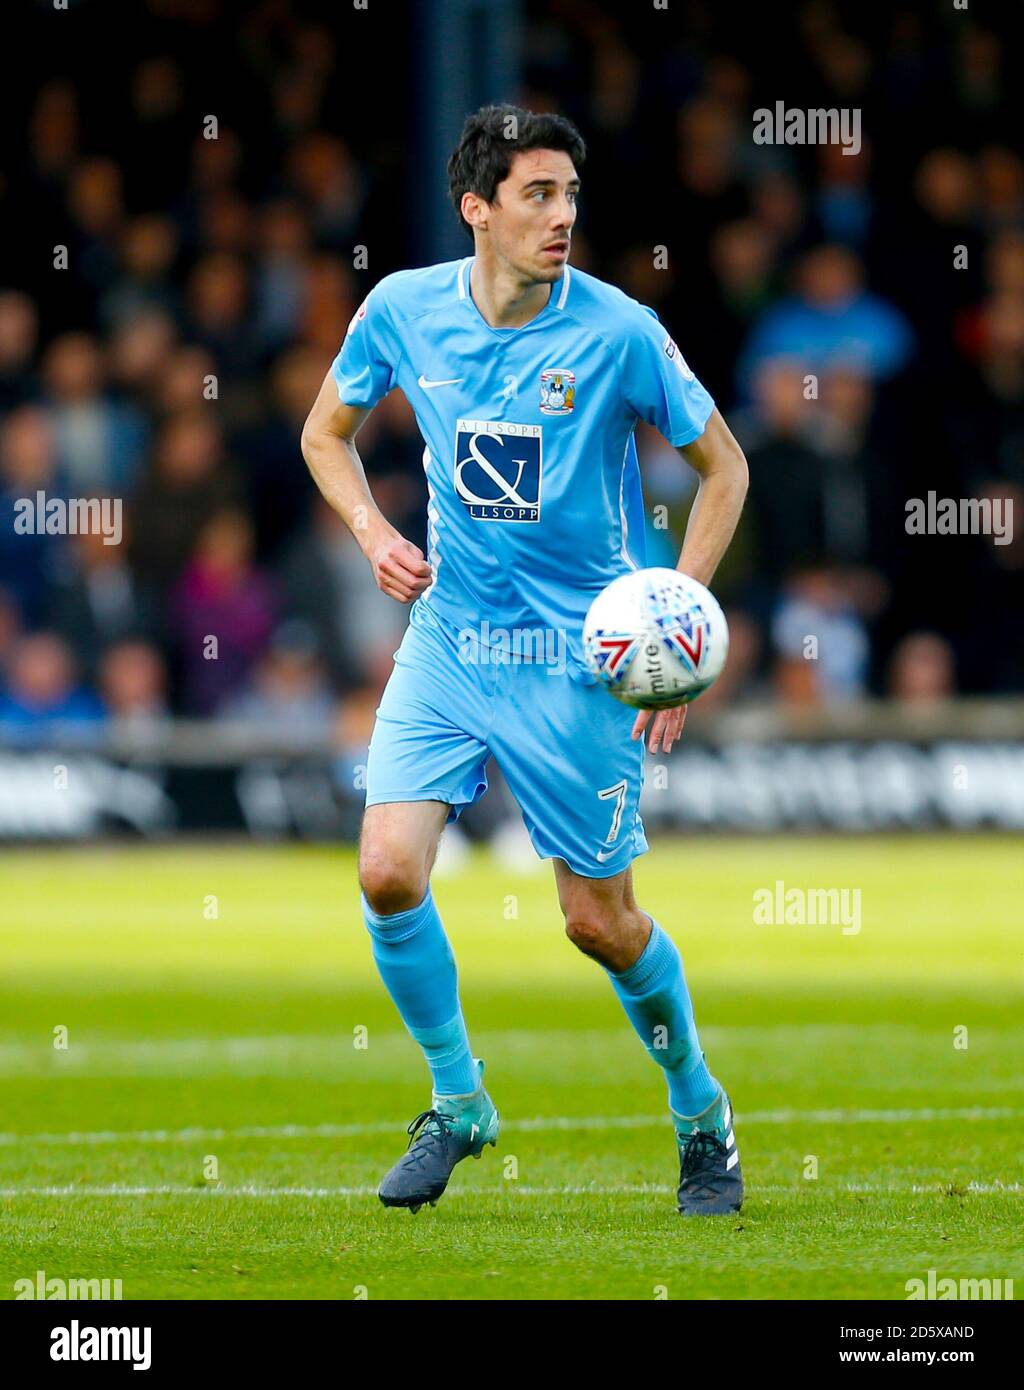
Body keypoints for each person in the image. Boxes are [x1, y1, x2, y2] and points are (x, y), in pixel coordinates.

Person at [300, 105, 749, 1217]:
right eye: (537, 195)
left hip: (577, 661)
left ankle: (701, 1115)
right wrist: (374, 535)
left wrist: (673, 623)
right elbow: (325, 433)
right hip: (450, 637)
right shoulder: (401, 309)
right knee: (385, 871)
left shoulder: (618, 331)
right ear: (478, 209)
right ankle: (459, 1102)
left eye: (570, 197)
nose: (561, 218)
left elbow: (724, 468)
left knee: (597, 922)